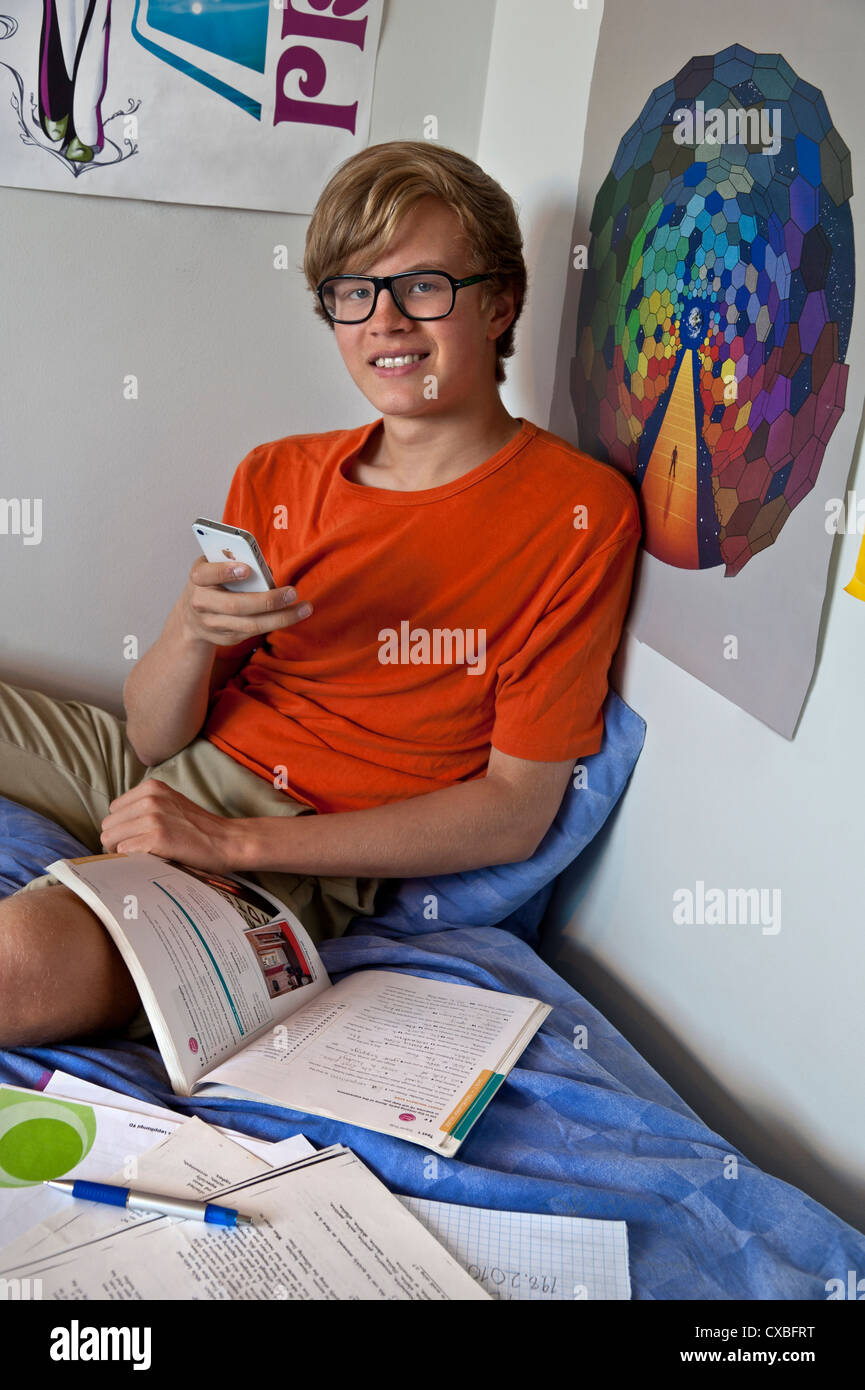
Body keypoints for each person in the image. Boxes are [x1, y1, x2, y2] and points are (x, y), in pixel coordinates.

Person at [0, 140, 641, 1048]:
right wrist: (189, 629)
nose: (384, 321)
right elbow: (153, 740)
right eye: (353, 291)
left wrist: (230, 846)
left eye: (423, 285)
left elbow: (513, 811)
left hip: (296, 839)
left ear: (499, 304)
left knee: (16, 967)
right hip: (171, 771)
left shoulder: (576, 512)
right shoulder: (276, 473)